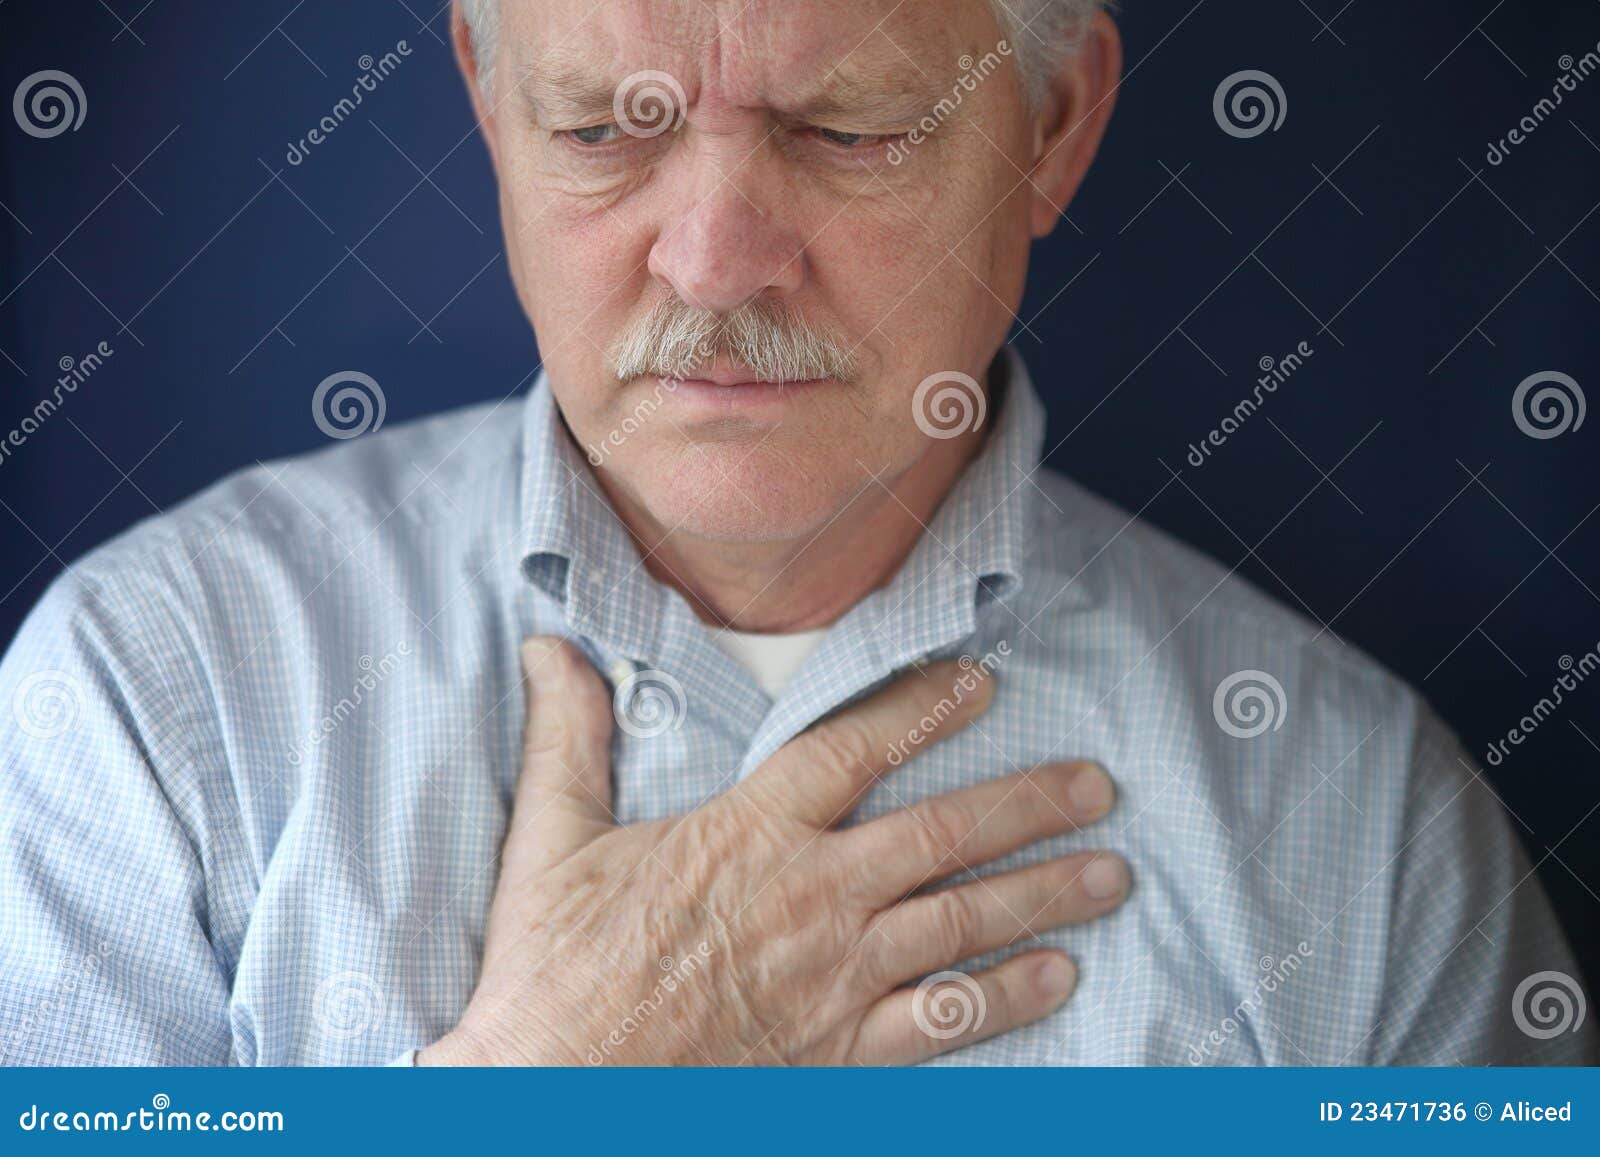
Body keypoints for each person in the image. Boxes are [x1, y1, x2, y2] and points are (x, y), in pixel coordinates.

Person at [0, 0, 1590, 1066]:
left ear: (1050, 128)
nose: (711, 264)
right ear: (488, 104)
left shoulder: (1372, 831)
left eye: (849, 131)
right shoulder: (147, 704)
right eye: (601, 130)